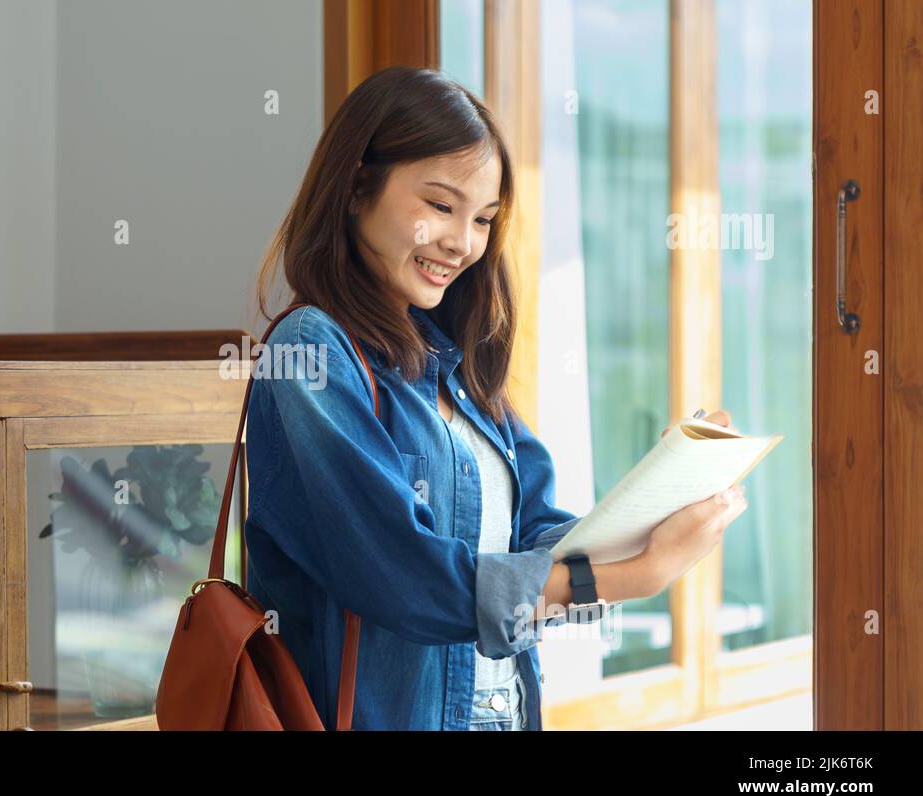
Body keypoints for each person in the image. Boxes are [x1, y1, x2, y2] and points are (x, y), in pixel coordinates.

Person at [242, 66, 748, 731]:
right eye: (440, 205)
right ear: (357, 186)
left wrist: (651, 505)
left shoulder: (454, 362)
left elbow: (532, 535)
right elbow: (404, 574)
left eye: (482, 218)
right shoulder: (310, 351)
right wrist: (624, 578)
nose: (462, 242)